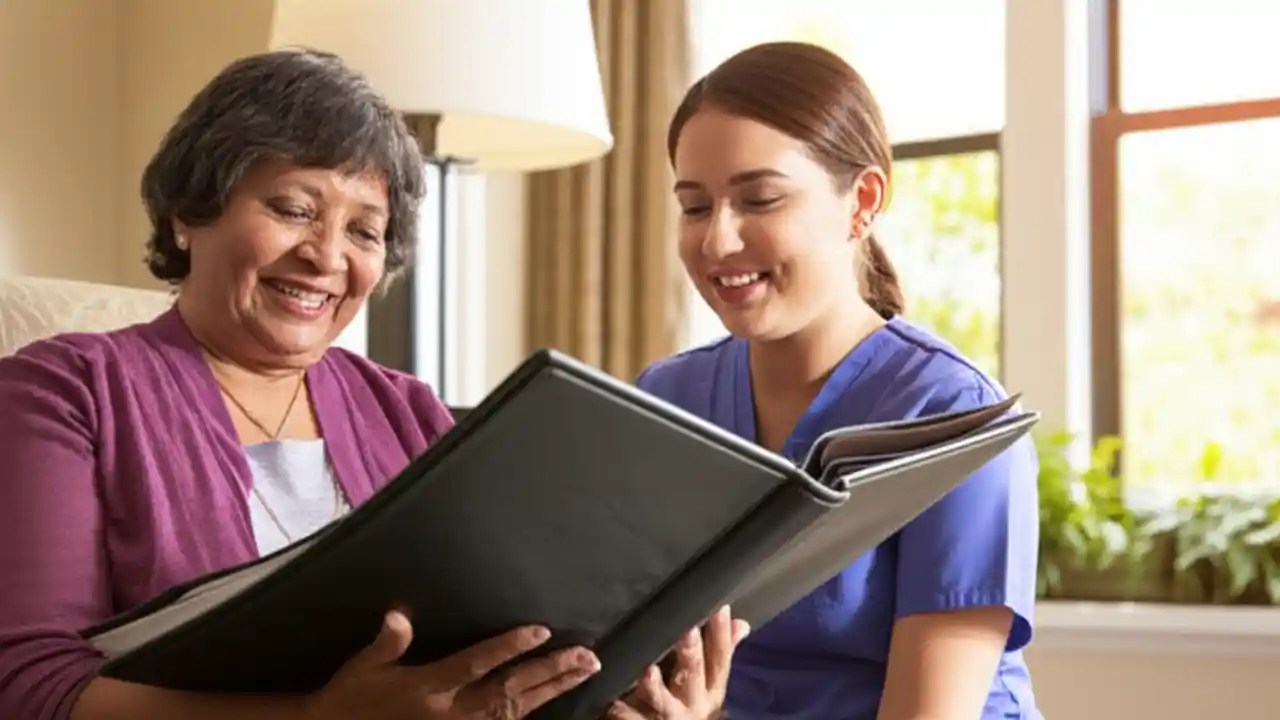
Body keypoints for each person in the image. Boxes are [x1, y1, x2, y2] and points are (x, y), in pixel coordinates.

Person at [0, 48, 742, 720]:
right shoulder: (63, 392)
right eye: (293, 210)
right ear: (190, 212)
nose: (326, 257)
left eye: (363, 231)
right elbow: (28, 687)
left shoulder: (409, 412)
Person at [635, 41, 1042, 720]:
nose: (716, 243)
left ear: (863, 200)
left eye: (759, 199)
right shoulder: (663, 401)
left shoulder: (957, 418)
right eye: (695, 207)